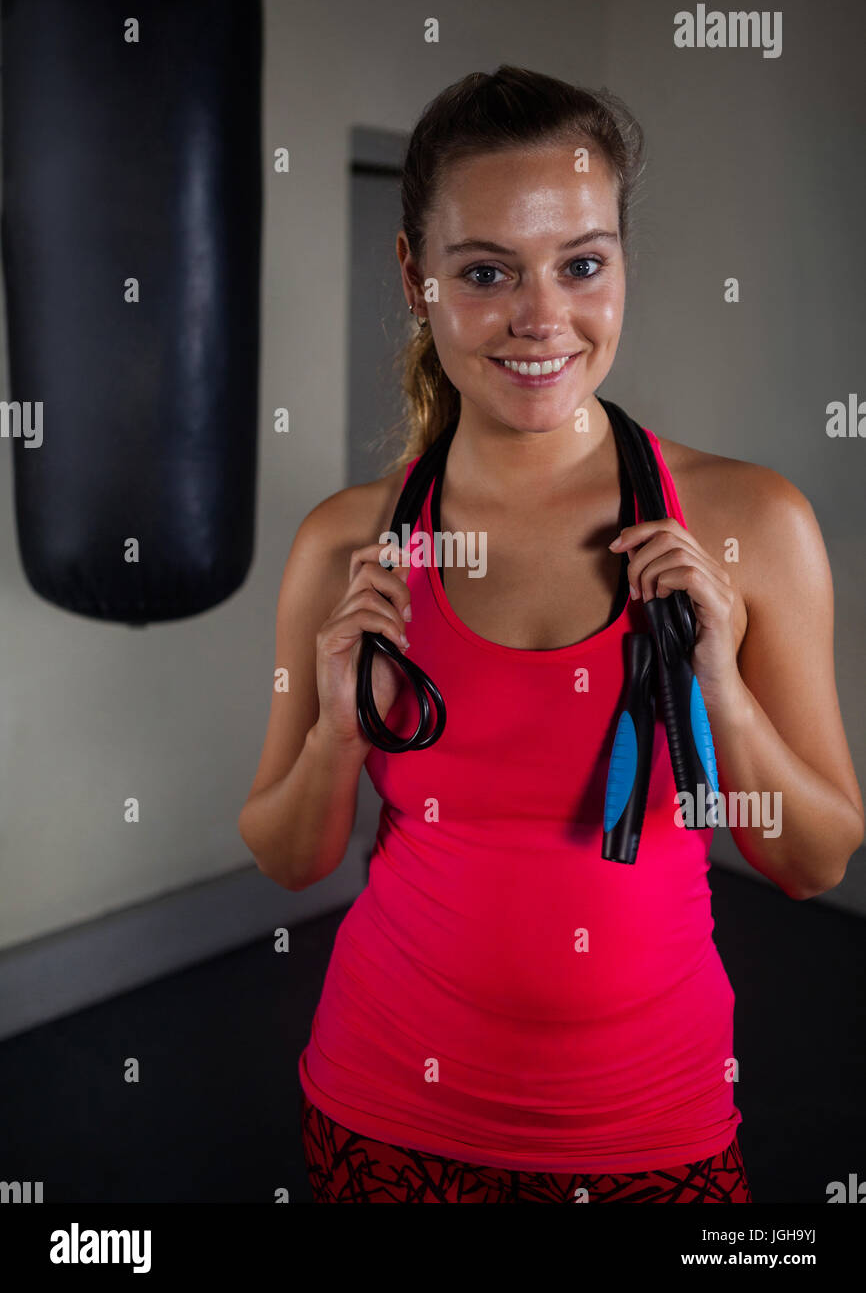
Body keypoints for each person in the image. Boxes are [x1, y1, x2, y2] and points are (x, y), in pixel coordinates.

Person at [238, 66, 864, 1204]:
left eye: (581, 263)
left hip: (649, 1128)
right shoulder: (348, 542)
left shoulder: (750, 524)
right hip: (382, 1106)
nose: (542, 318)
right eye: (484, 272)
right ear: (414, 276)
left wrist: (718, 684)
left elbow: (811, 859)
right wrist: (335, 730)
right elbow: (289, 856)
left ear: (621, 262)